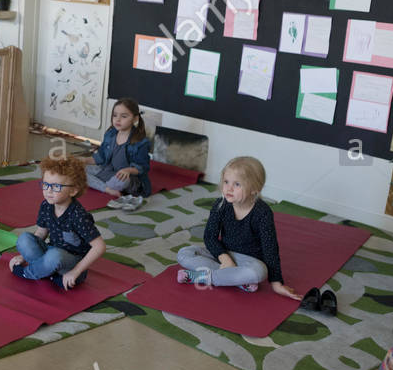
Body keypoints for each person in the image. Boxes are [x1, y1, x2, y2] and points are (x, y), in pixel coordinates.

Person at [176, 156, 300, 298]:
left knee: (258, 272)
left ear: (254, 189)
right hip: (223, 253)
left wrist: (276, 283)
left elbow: (270, 249)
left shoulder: (262, 213)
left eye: (237, 184)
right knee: (184, 253)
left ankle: (204, 277)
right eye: (226, 182)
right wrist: (224, 258)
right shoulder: (221, 205)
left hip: (248, 261)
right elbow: (209, 237)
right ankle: (236, 280)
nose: (228, 188)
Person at [8, 155, 106, 289]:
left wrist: (75, 272)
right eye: (46, 184)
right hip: (50, 252)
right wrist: (23, 256)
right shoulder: (46, 205)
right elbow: (41, 233)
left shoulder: (78, 216)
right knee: (24, 239)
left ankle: (28, 273)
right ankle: (48, 273)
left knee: (55, 256)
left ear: (73, 190)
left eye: (56, 187)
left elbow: (99, 246)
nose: (48, 191)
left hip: (71, 262)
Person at [85, 98, 152, 201]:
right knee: (76, 170)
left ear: (135, 119)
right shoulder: (110, 134)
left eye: (124, 116)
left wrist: (127, 170)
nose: (118, 119)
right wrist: (83, 160)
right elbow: (101, 157)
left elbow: (142, 167)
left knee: (122, 181)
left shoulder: (140, 142)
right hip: (108, 171)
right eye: (115, 115)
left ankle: (101, 184)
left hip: (125, 178)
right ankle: (107, 188)